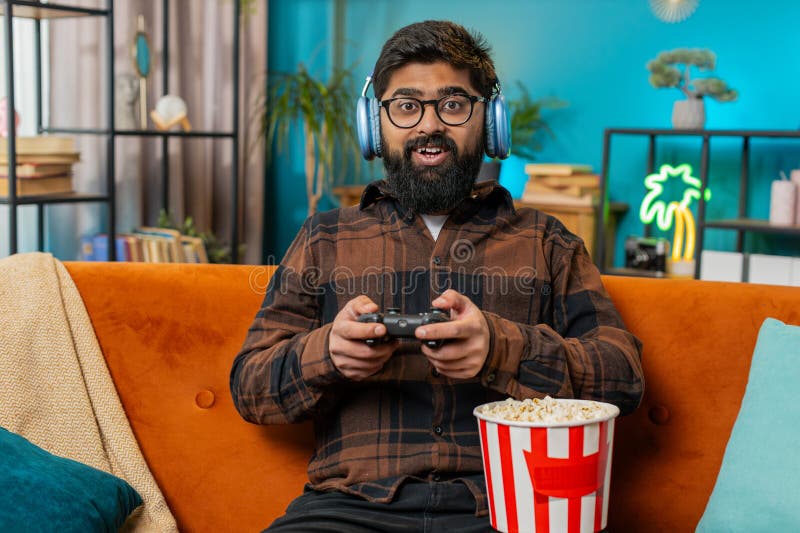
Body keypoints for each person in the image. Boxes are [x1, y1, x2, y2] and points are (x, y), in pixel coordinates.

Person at [230, 20, 644, 532]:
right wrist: (328, 355)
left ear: (490, 122)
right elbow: (249, 385)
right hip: (348, 510)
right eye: (406, 106)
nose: (429, 125)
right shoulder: (324, 238)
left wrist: (501, 350)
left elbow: (623, 378)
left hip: (509, 508)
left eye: (452, 104)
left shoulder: (548, 242)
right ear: (374, 125)